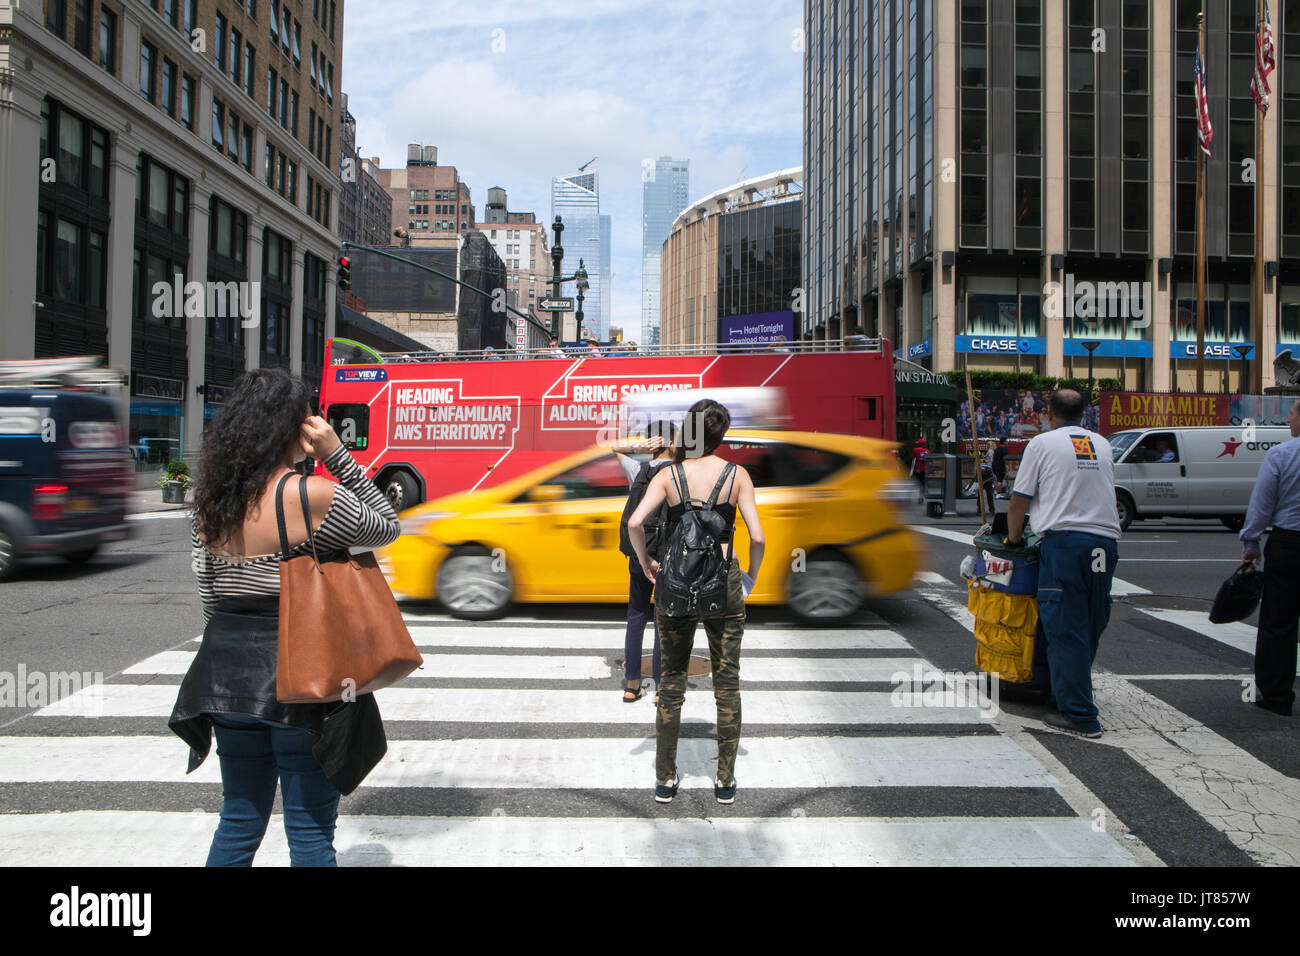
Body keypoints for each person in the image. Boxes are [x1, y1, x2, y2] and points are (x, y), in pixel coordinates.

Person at [169, 369, 401, 865]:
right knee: (310, 831)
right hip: (303, 675)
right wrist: (337, 455)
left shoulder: (210, 504)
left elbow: (209, 599)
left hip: (224, 675)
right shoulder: (311, 496)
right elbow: (387, 525)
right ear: (295, 428)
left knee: (238, 818)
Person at [627, 399, 764, 805]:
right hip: (724, 582)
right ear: (721, 435)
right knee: (727, 684)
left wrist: (646, 560)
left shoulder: (669, 474)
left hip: (675, 584)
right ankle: (724, 781)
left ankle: (665, 780)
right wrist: (750, 578)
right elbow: (757, 536)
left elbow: (636, 522)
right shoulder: (737, 474)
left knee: (670, 685)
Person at [1005, 389, 1120, 739]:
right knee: (1088, 622)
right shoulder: (1101, 443)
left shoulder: (1041, 444)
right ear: (1082, 414)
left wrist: (1013, 540)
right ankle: (1067, 693)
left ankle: (1080, 715)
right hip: (1105, 544)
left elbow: (1018, 502)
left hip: (1066, 544)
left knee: (1065, 627)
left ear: (1049, 413)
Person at [1240, 399, 1300, 716]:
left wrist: (1251, 543)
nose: (1288, 419)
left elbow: (1262, 505)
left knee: (1279, 621)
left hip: (1289, 543)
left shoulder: (1281, 454)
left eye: (1291, 413)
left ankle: (1277, 695)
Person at [613, 422, 677, 703]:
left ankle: (632, 684)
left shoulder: (637, 470)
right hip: (668, 557)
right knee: (662, 620)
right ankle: (661, 687)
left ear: (650, 444)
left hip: (640, 554)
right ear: (672, 443)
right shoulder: (678, 474)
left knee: (635, 617)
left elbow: (614, 447)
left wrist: (636, 449)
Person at [911, 436, 928, 504]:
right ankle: (921, 497)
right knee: (923, 484)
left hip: (917, 470)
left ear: (920, 444)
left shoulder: (916, 450)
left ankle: (909, 497)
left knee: (914, 483)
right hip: (924, 470)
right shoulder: (927, 451)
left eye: (918, 443)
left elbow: (913, 457)